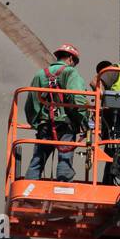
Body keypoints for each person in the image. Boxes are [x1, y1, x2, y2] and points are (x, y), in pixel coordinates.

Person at [25, 44, 87, 181]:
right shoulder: (71, 73)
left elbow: (31, 103)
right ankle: (63, 189)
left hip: (45, 125)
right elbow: (78, 99)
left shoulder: (40, 74)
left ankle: (28, 192)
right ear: (71, 59)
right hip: (65, 125)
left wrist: (36, 123)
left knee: (37, 161)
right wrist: (83, 120)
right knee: (65, 159)